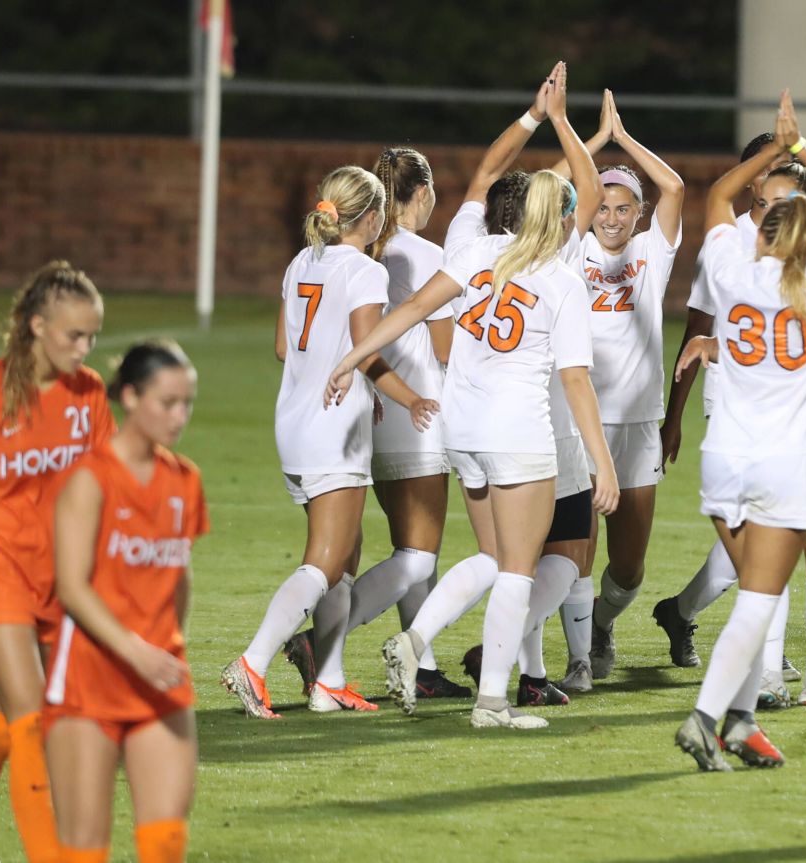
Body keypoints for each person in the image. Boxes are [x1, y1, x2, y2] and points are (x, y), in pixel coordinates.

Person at [328, 62, 619, 730]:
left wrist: (352, 357)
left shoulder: (474, 251)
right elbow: (575, 380)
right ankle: (492, 701)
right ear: (561, 219)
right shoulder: (561, 276)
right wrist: (602, 464)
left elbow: (410, 312)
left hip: (462, 433)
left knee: (492, 558)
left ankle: (415, 640)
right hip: (520, 434)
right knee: (518, 569)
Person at [671, 89, 806, 771]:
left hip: (724, 455)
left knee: (758, 590)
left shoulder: (730, 269)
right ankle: (706, 719)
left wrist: (772, 153)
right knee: (761, 596)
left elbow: (717, 197)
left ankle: (742, 720)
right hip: (785, 460)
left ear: (759, 228)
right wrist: (802, 146)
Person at [655, 160, 806, 710]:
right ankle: (762, 683)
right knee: (764, 573)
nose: (765, 218)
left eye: (781, 208)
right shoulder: (749, 269)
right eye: (761, 206)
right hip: (777, 439)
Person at [221, 165, 436, 718]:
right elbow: (367, 352)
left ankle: (329, 682)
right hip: (332, 427)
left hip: (295, 421)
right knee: (324, 562)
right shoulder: (364, 270)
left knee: (344, 558)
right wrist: (411, 398)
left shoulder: (302, 261)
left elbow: (282, 347)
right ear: (374, 217)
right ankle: (252, 663)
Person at [282, 146, 471, 701]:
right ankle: (318, 641)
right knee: (418, 555)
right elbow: (445, 349)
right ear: (423, 193)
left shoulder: (352, 251)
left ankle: (422, 667)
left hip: (368, 411)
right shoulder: (424, 254)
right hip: (415, 410)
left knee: (404, 548)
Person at [45, 341, 206, 863]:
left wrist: (168, 644)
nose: (179, 416)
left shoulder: (185, 480)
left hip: (159, 679)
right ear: (131, 397)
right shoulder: (89, 478)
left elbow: (178, 575)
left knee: (164, 845)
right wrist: (135, 650)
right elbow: (72, 588)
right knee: (83, 851)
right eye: (167, 403)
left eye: (187, 403)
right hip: (89, 682)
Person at [550, 88, 685, 690]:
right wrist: (594, 143)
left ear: (638, 213)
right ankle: (579, 660)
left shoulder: (652, 252)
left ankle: (601, 624)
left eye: (623, 208)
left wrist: (623, 139)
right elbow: (547, 190)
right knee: (577, 550)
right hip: (578, 419)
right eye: (601, 206)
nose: (610, 217)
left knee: (628, 568)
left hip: (636, 425)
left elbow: (675, 188)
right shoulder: (570, 246)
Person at [654, 135, 797, 684]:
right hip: (732, 397)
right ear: (749, 177)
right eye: (769, 169)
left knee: (762, 528)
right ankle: (766, 652)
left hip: (781, 401)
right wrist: (674, 417)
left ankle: (682, 612)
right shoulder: (728, 238)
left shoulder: (801, 239)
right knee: (761, 525)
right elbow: (698, 330)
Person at [0, 261, 111, 862]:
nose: (84, 349)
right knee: (35, 722)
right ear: (36, 326)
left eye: (92, 337)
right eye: (74, 336)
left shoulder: (88, 393)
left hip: (61, 581)